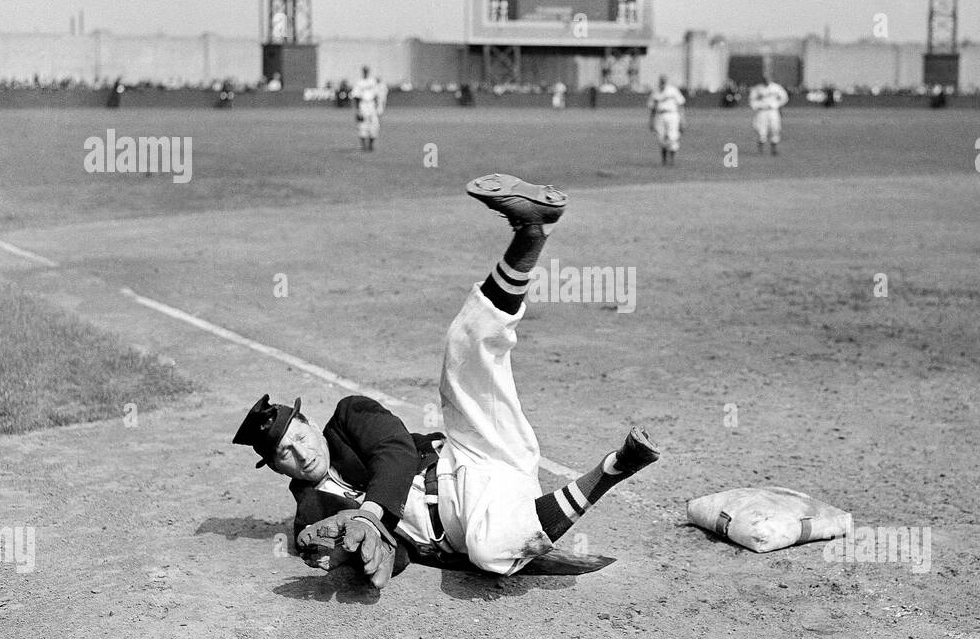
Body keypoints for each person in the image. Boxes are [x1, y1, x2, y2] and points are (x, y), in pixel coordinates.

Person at [232, 174, 661, 589]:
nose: (300, 454)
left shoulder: (348, 416)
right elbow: (395, 555)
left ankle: (532, 231)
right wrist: (352, 558)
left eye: (298, 436)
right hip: (476, 518)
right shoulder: (310, 516)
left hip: (469, 453)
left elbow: (395, 453)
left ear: (308, 423)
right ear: (273, 467)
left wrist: (367, 515)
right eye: (284, 454)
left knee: (464, 343)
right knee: (491, 552)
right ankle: (614, 468)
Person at [647, 75, 685, 166]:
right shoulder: (655, 92)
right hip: (659, 115)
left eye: (664, 81)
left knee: (673, 136)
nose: (662, 83)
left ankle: (672, 160)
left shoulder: (673, 91)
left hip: (672, 114)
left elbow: (680, 105)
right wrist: (651, 121)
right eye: (661, 81)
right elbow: (652, 108)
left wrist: (683, 119)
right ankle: (664, 161)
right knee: (661, 137)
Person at [748, 74, 790, 155]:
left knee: (775, 128)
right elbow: (752, 100)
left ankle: (774, 150)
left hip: (773, 111)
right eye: (765, 79)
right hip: (762, 111)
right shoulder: (757, 88)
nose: (766, 81)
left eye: (768, 79)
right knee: (761, 130)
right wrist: (757, 106)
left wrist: (777, 104)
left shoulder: (776, 87)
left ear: (771, 79)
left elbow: (784, 97)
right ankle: (760, 150)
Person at [350, 65, 388, 151]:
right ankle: (363, 146)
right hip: (363, 104)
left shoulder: (373, 82)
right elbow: (355, 97)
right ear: (362, 71)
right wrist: (357, 110)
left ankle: (371, 145)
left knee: (375, 125)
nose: (365, 72)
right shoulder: (359, 82)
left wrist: (379, 107)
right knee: (362, 125)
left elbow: (377, 95)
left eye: (366, 70)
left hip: (371, 104)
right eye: (364, 70)